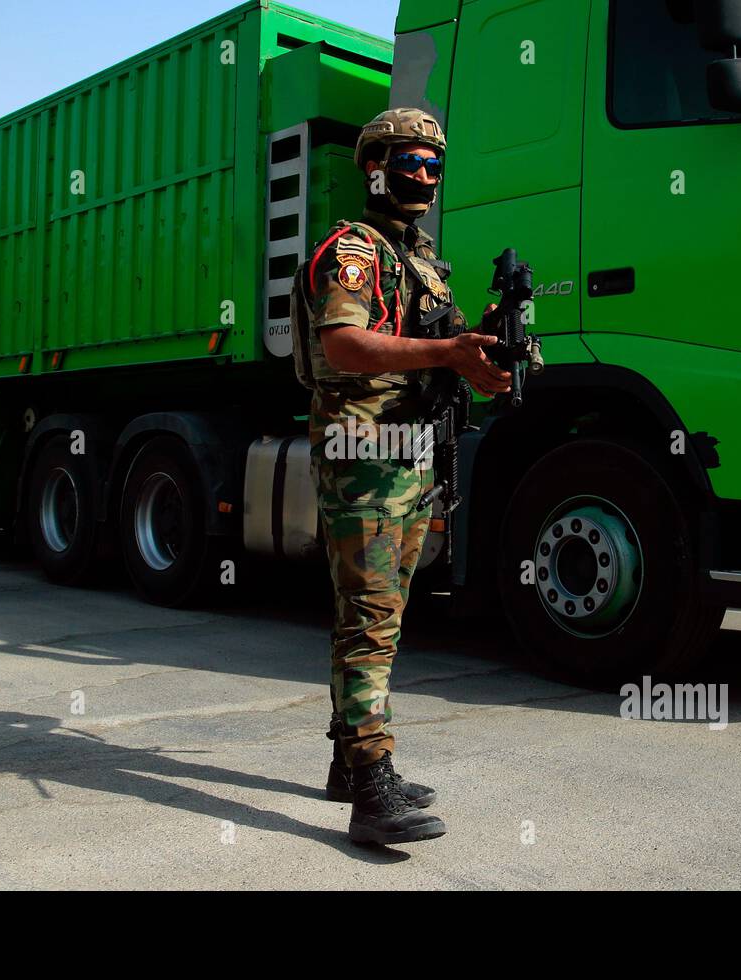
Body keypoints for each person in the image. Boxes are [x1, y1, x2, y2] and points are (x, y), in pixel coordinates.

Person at [302, 107, 511, 845]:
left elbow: (440, 351)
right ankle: (372, 790)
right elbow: (348, 345)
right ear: (374, 166)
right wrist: (449, 353)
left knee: (374, 614)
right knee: (371, 621)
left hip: (408, 451)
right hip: (366, 453)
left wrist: (481, 360)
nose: (424, 175)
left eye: (434, 165)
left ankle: (346, 762)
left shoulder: (420, 258)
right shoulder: (353, 250)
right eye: (410, 161)